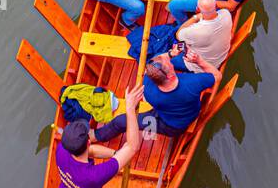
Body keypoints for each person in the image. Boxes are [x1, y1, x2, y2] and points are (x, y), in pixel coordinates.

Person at [94, 50, 223, 143]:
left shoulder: (148, 88)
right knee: (121, 121)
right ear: (171, 75)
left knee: (120, 121)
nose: (171, 63)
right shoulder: (193, 83)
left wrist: (170, 54)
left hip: (164, 110)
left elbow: (152, 64)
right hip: (176, 125)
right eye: (171, 65)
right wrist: (199, 60)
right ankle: (97, 136)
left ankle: (95, 136)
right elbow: (218, 76)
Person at [170, 0, 232, 70]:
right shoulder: (226, 14)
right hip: (220, 56)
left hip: (200, 66)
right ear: (216, 5)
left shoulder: (195, 31)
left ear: (198, 9)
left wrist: (195, 17)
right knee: (180, 43)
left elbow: (178, 34)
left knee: (157, 57)